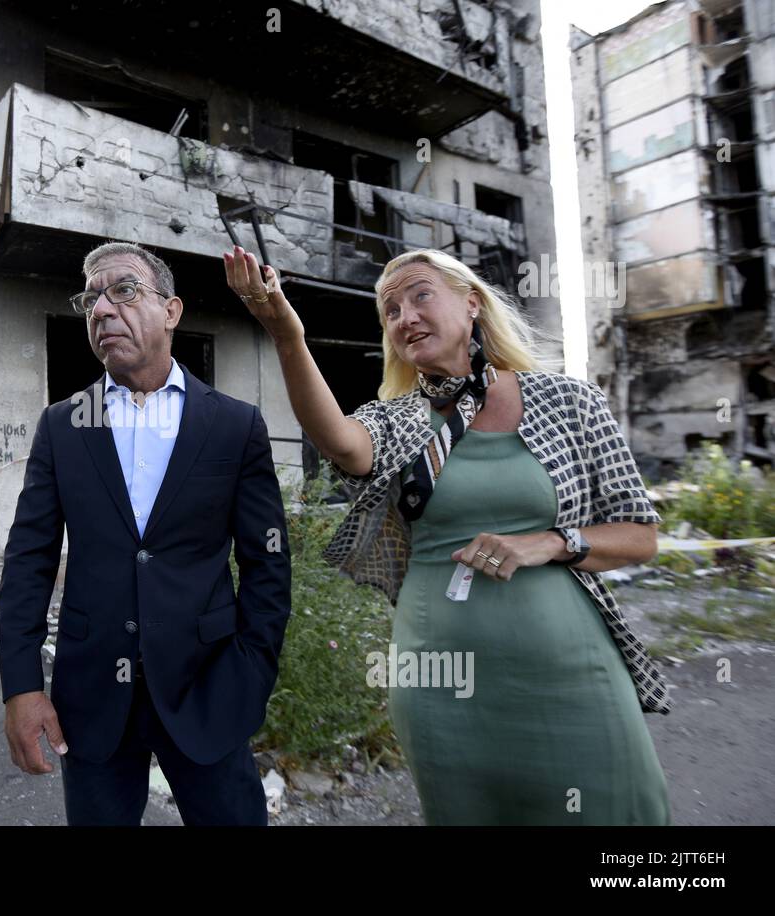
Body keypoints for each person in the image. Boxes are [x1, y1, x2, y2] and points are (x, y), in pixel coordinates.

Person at [224, 244, 671, 825]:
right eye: (390, 310)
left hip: (571, 672)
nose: (405, 316)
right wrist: (287, 336)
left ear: (472, 305)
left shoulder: (569, 402)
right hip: (438, 681)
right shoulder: (398, 419)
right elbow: (339, 441)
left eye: (420, 295)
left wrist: (551, 542)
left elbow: (640, 536)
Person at [0, 241, 291, 826]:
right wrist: (22, 688)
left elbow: (267, 563)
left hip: (207, 689)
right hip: (93, 698)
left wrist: (251, 670)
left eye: (124, 291)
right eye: (91, 298)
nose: (102, 310)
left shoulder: (233, 425)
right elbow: (28, 562)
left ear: (172, 311)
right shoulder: (63, 426)